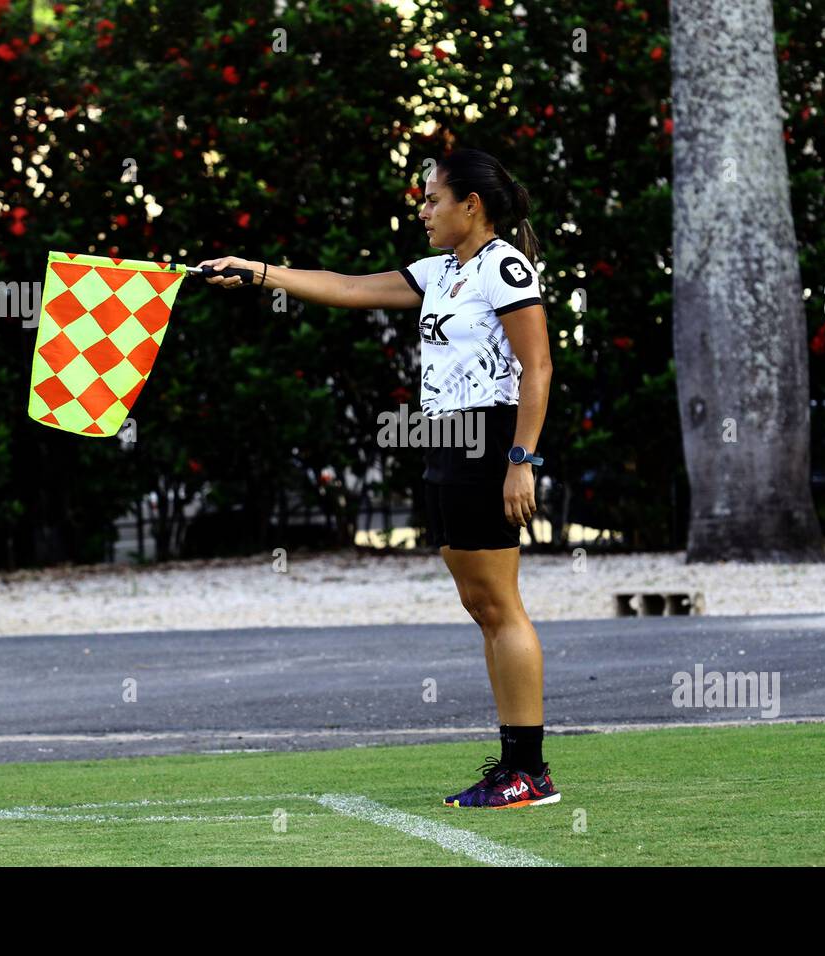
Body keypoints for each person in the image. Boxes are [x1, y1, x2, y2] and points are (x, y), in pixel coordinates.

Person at [198, 148, 558, 809]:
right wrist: (257, 273)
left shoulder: (503, 265)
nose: (422, 210)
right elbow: (349, 287)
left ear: (469, 206)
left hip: (486, 441)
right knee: (482, 608)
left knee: (501, 605)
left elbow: (537, 368)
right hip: (447, 440)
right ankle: (513, 765)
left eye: (432, 199)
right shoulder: (446, 271)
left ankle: (529, 772)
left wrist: (521, 461)